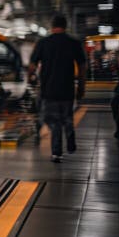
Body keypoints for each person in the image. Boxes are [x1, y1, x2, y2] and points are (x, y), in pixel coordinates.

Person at [28, 14, 86, 162]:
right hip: (67, 89)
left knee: (53, 121)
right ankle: (70, 134)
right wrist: (81, 86)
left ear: (52, 26)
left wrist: (31, 78)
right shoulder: (74, 43)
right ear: (65, 26)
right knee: (67, 117)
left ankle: (57, 153)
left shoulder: (43, 43)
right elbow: (82, 66)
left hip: (49, 90)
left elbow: (32, 65)